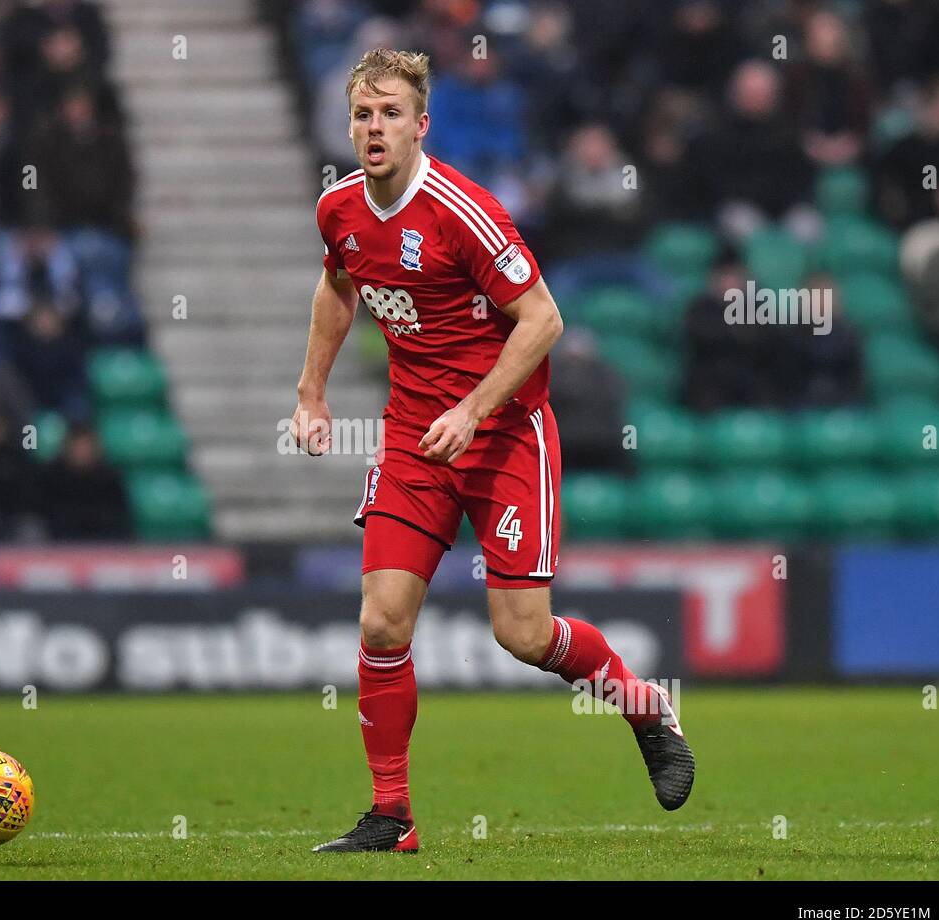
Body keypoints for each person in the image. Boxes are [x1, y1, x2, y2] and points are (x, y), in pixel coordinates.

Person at [292, 49, 694, 854]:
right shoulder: (338, 208)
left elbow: (543, 318)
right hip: (413, 435)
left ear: (421, 125)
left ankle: (645, 705)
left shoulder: (460, 210)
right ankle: (392, 814)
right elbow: (339, 284)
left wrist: (476, 408)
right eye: (364, 115)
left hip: (505, 431)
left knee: (522, 633)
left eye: (392, 114)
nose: (376, 128)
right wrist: (311, 392)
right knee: (379, 623)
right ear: (349, 124)